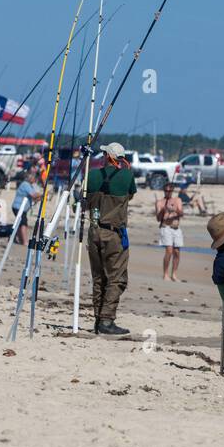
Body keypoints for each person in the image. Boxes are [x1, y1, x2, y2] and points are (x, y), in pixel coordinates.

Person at [86, 142, 137, 335]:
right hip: (114, 233)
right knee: (116, 279)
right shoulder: (127, 176)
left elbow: (83, 201)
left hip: (94, 231)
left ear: (107, 156)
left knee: (98, 278)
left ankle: (99, 319)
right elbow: (130, 195)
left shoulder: (91, 175)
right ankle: (106, 320)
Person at [156, 183, 184, 281]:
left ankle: (174, 274)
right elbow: (158, 219)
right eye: (166, 191)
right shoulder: (160, 202)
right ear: (164, 191)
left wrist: (174, 210)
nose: (168, 193)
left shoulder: (177, 200)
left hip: (176, 228)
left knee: (177, 252)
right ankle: (165, 274)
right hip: (166, 228)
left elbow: (181, 213)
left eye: (170, 191)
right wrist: (163, 210)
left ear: (172, 191)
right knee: (169, 250)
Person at [11, 170, 43, 245]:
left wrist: (41, 198)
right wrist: (43, 194)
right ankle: (25, 241)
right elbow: (34, 195)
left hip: (21, 208)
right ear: (30, 178)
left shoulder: (29, 185)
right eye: (34, 178)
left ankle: (20, 240)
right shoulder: (25, 184)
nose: (35, 180)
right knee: (23, 224)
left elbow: (34, 198)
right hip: (18, 207)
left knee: (20, 224)